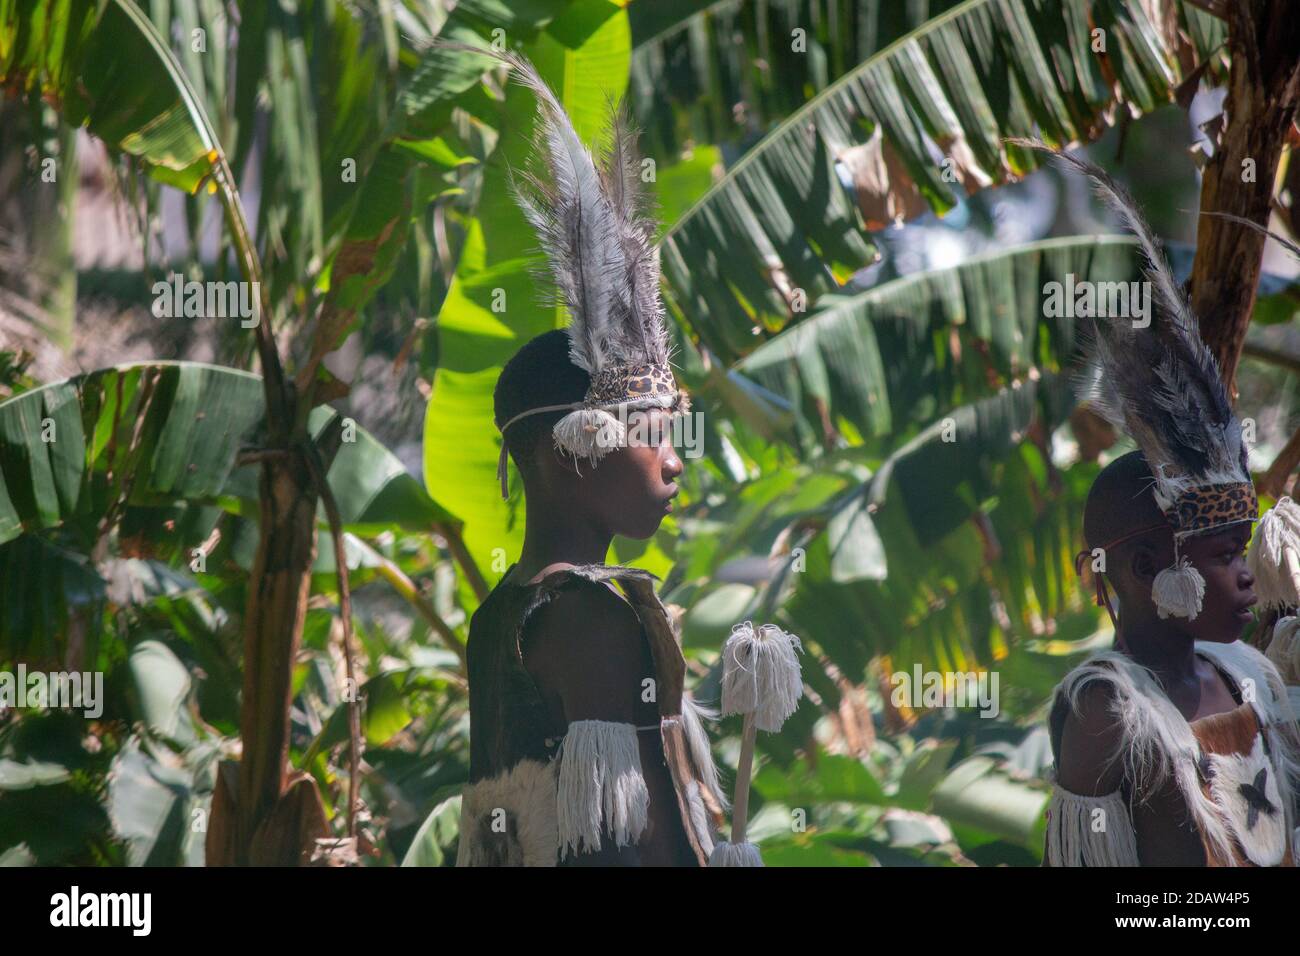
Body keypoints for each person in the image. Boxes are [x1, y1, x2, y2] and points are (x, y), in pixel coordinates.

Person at [453, 49, 725, 867]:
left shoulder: (502, 612)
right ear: (569, 449)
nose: (673, 461)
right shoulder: (595, 617)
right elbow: (624, 847)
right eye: (646, 429)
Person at [1034, 144, 1300, 867]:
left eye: (1242, 552)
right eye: (1222, 557)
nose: (1247, 576)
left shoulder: (1248, 673)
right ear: (1149, 566)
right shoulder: (1107, 710)